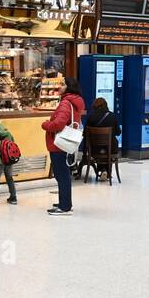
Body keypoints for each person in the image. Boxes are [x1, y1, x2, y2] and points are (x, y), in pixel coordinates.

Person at [40, 77, 85, 215]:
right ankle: (64, 202)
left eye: (63, 84)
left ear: (69, 87)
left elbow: (58, 124)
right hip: (65, 145)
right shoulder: (75, 101)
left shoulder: (66, 103)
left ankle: (64, 207)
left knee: (62, 175)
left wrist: (45, 124)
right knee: (63, 175)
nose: (60, 86)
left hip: (59, 145)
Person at [82, 96, 120, 180]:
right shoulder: (112, 116)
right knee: (107, 150)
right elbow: (118, 132)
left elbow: (84, 133)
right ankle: (107, 172)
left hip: (94, 149)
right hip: (111, 149)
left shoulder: (91, 117)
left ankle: (102, 170)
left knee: (100, 150)